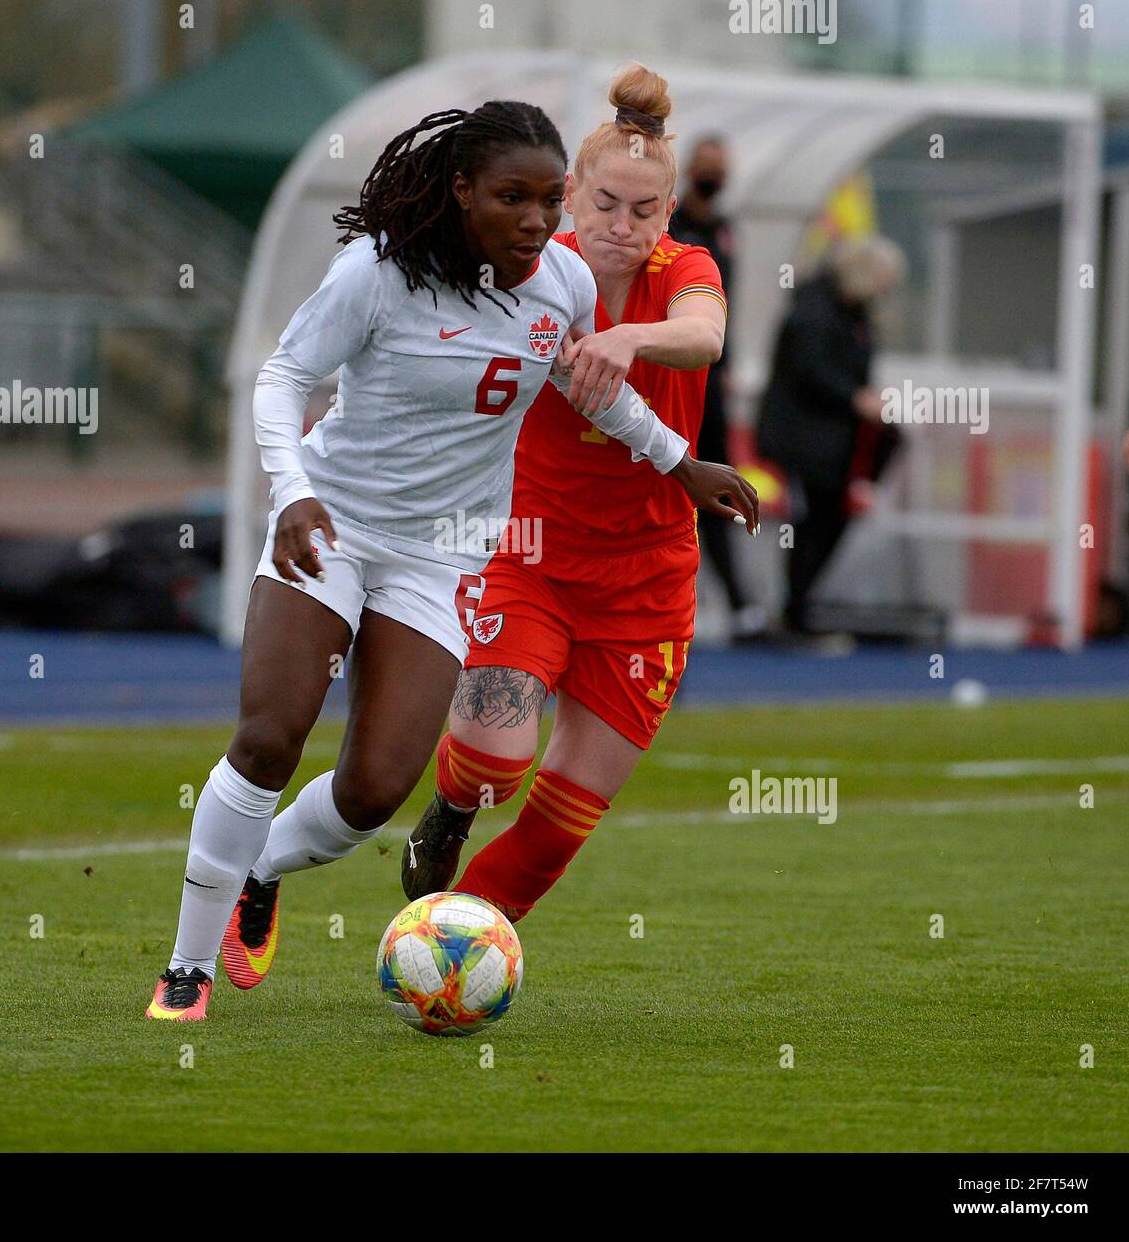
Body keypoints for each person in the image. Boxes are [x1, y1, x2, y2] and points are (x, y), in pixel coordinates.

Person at [146, 97, 759, 1019]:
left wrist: (682, 463)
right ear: (463, 190)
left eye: (551, 201)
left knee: (374, 789)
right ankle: (185, 970)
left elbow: (586, 391)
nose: (540, 222)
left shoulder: (561, 284)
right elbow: (283, 377)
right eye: (518, 198)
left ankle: (262, 871)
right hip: (336, 525)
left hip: (440, 558)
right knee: (272, 735)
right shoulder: (377, 273)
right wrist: (292, 493)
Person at [396, 64, 758, 922]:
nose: (621, 227)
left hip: (647, 578)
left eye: (643, 211)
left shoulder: (687, 271)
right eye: (602, 205)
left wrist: (629, 338)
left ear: (668, 215)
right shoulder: (535, 268)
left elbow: (705, 337)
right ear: (570, 195)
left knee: (558, 831)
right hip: (528, 553)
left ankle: (449, 951)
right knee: (492, 762)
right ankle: (449, 809)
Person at [756, 235, 905, 635]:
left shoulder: (855, 313)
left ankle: (801, 604)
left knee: (830, 516)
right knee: (809, 520)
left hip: (832, 443)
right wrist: (855, 397)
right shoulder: (814, 310)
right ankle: (793, 609)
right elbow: (809, 370)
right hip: (800, 440)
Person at [669, 137, 763, 639]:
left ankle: (738, 603)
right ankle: (681, 599)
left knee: (715, 482)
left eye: (720, 169)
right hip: (670, 378)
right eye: (709, 168)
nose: (714, 177)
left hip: (712, 382)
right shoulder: (669, 222)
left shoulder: (725, 230)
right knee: (670, 478)